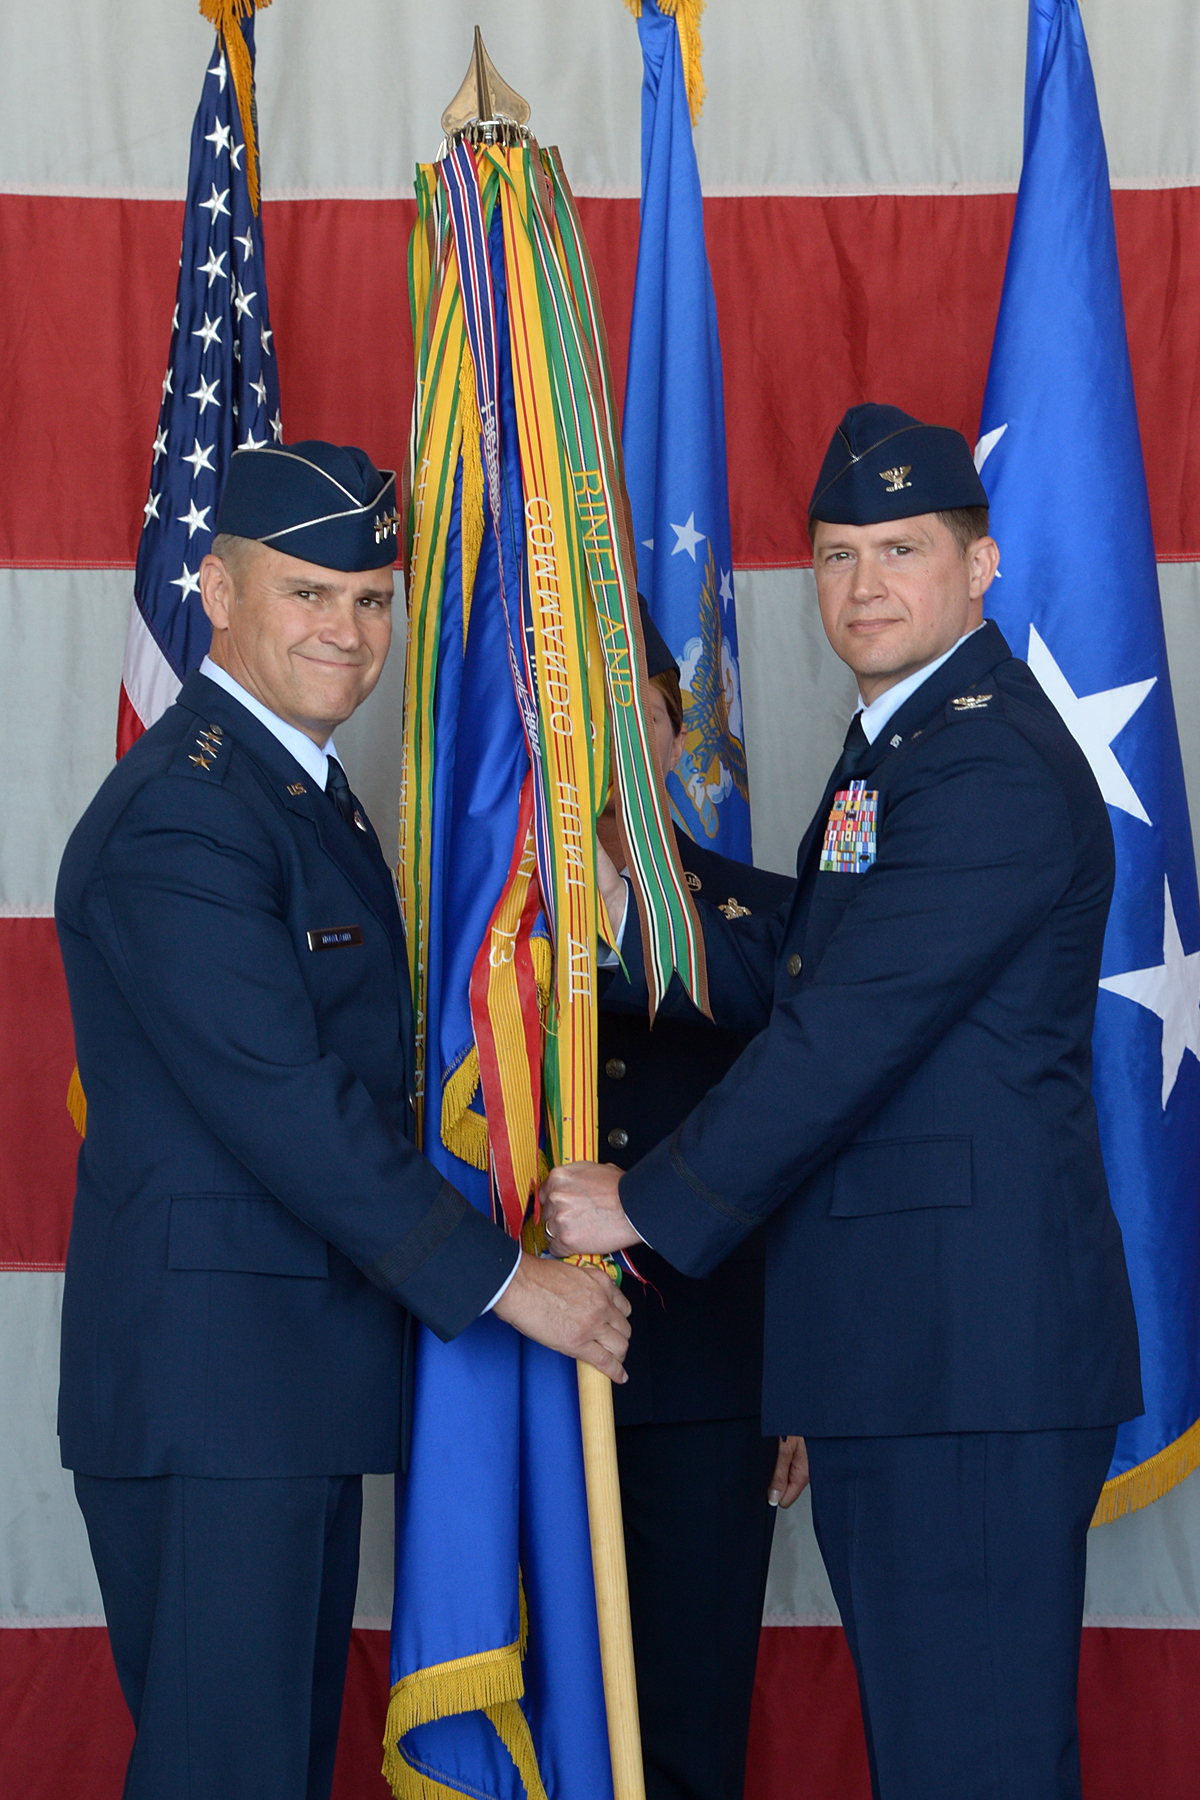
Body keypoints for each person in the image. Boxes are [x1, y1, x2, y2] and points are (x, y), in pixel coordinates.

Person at [543, 404, 1143, 1800]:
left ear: (980, 566)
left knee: (970, 1761)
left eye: (903, 549)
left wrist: (643, 1200)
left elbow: (843, 1031)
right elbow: (806, 947)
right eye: (837, 554)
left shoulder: (981, 756)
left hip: (964, 1357)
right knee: (943, 1752)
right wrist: (624, 880)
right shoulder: (904, 742)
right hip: (914, 1350)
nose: (866, 585)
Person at [55, 440, 631, 1800]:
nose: (348, 630)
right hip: (218, 1396)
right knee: (226, 1774)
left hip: (281, 1386)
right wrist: (508, 1286)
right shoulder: (187, 816)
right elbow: (288, 1105)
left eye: (374, 598)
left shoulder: (296, 790)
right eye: (309, 593)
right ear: (216, 587)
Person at [601, 602, 799, 1800]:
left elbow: (813, 1160)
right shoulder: (469, 918)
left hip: (709, 1382)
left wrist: (806, 1377)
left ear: (679, 733)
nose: (620, 747)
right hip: (500, 1366)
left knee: (686, 1722)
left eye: (645, 717)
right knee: (509, 1711)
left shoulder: (767, 912)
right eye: (584, 724)